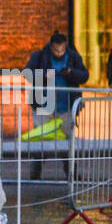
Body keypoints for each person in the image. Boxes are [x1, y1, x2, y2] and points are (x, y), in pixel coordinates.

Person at [23, 32, 89, 179]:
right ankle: (35, 172)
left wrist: (71, 72)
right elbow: (27, 73)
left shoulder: (73, 57)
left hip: (66, 107)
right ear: (51, 46)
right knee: (41, 140)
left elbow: (84, 75)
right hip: (43, 107)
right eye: (56, 50)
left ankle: (71, 172)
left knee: (67, 141)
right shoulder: (40, 56)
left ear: (66, 47)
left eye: (62, 50)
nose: (59, 53)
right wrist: (43, 75)